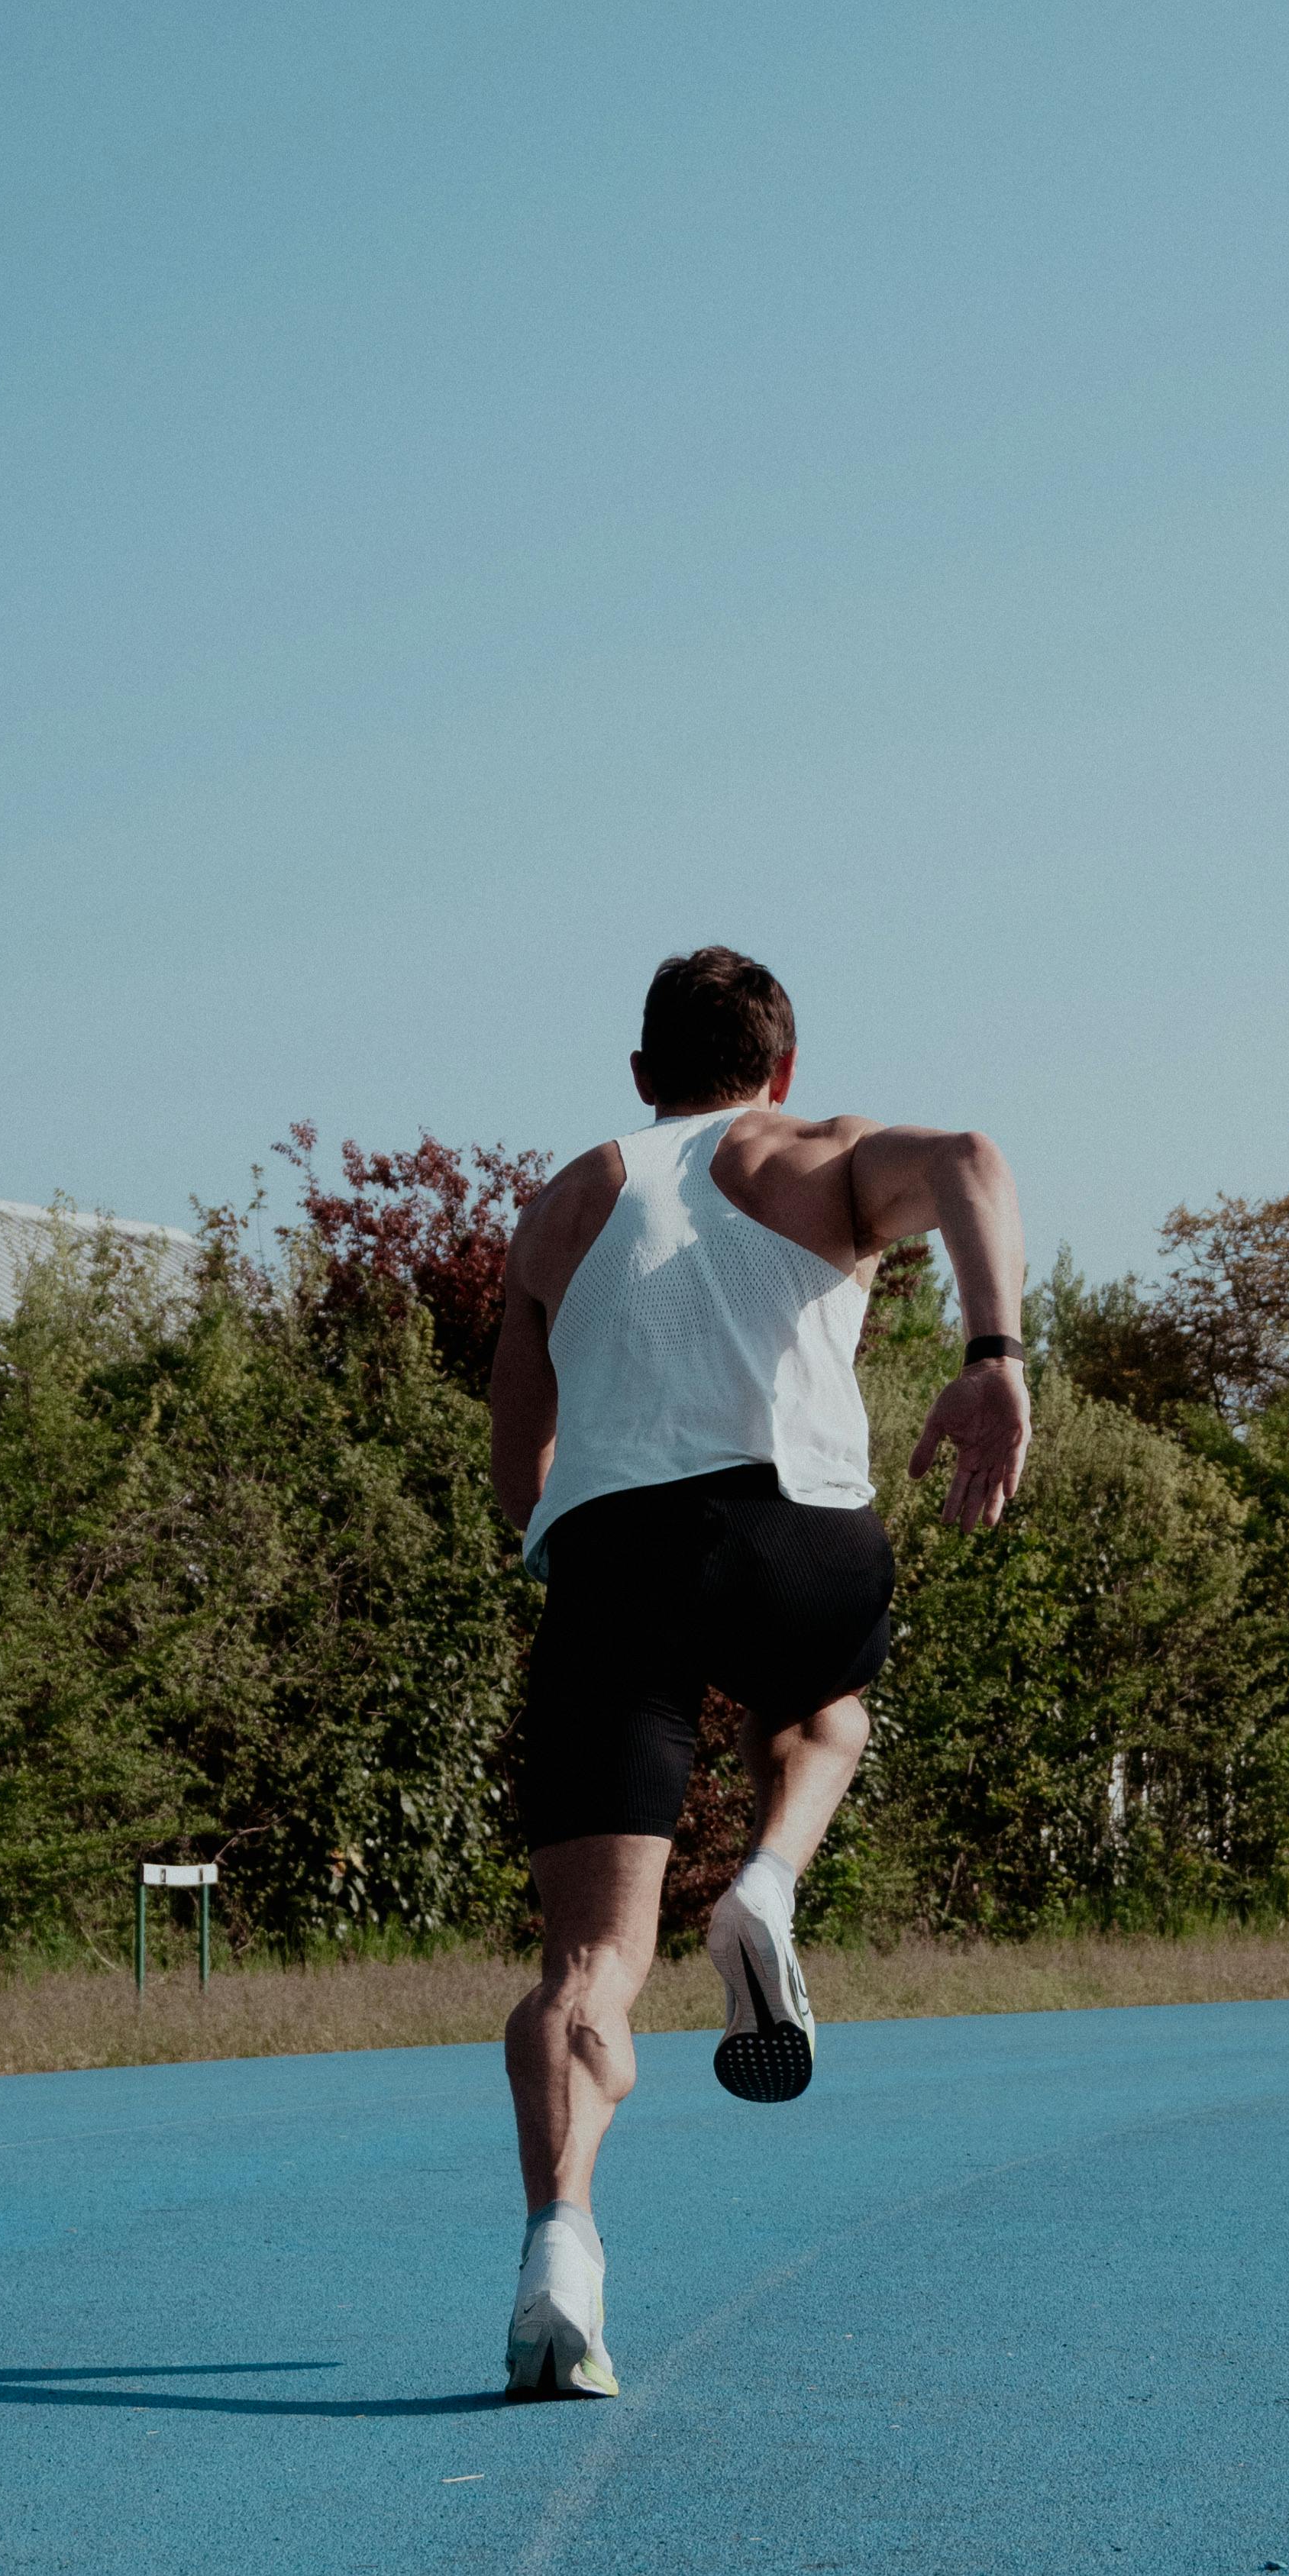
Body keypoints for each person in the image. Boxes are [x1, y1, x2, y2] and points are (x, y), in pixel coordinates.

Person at [489, 945, 1030, 2397]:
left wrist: (586, 1569)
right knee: (824, 1716)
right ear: (779, 1068)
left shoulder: (559, 1207)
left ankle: (560, 2253)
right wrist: (993, 1352)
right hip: (797, 1534)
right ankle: (769, 1884)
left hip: (612, 1560)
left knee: (587, 1969)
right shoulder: (813, 1150)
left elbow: (517, 1472)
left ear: (640, 1075)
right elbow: (973, 1158)